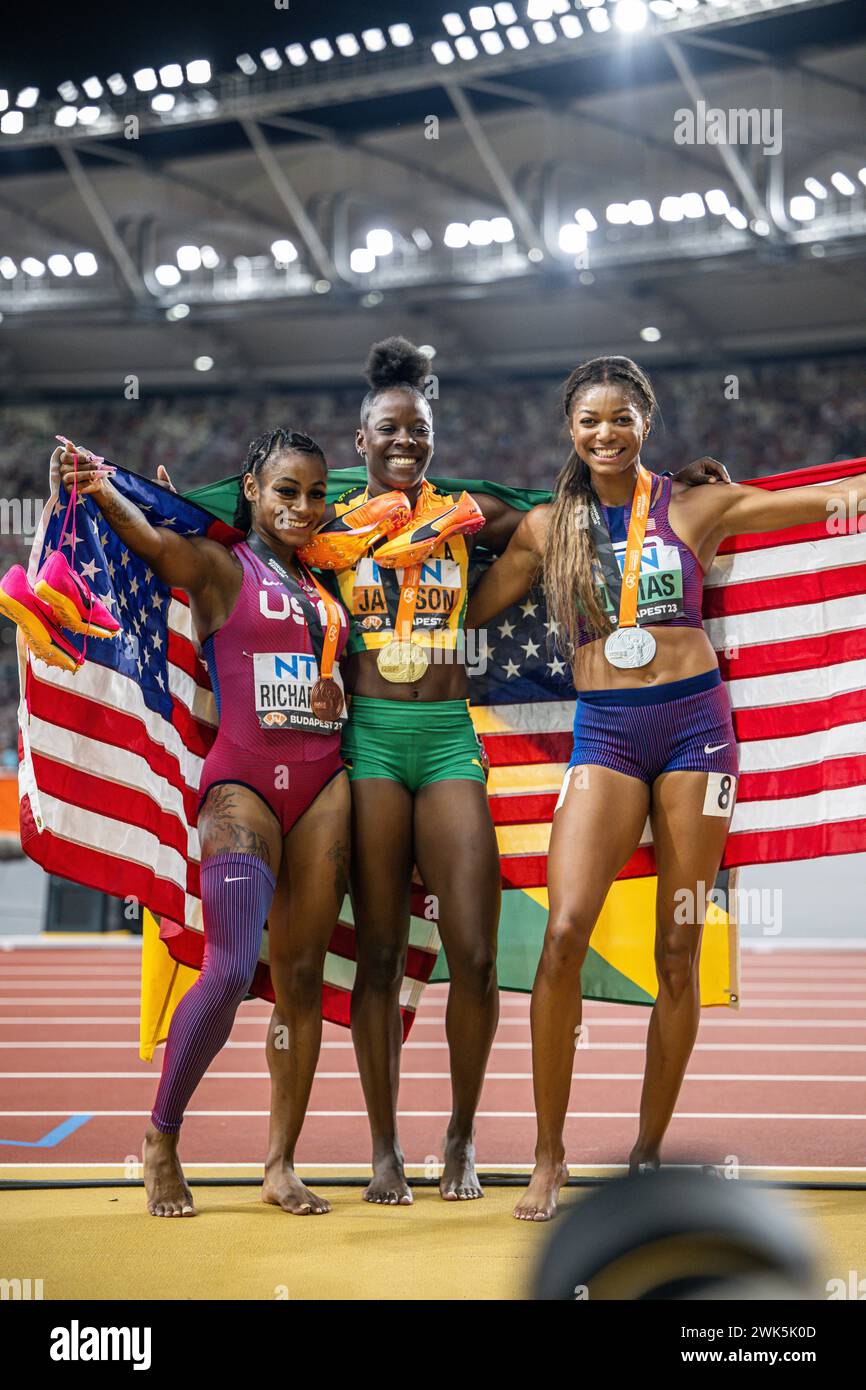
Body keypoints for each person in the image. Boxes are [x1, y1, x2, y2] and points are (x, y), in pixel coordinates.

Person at [300, 337, 731, 1205]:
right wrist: (141, 500)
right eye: (388, 431)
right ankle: (394, 1150)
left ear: (434, 436)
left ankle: (462, 1140)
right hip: (374, 742)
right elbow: (246, 521)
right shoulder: (328, 530)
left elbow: (560, 515)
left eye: (417, 430)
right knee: (383, 949)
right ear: (361, 441)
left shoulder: (469, 515)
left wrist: (679, 492)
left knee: (480, 949)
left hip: (464, 738)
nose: (404, 443)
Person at [465, 353, 866, 1220]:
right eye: (588, 421)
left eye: (620, 418)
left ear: (646, 421)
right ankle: (548, 1155)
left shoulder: (695, 506)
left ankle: (647, 1151)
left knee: (677, 952)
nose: (604, 433)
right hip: (604, 736)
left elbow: (832, 504)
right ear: (569, 431)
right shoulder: (545, 530)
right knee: (565, 931)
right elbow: (466, 611)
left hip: (696, 732)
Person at [56, 429, 351, 1217]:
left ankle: (280, 1164)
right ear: (252, 490)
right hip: (243, 785)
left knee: (300, 981)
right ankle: (161, 1136)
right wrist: (105, 488)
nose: (304, 507)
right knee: (226, 968)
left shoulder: (331, 586)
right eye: (287, 490)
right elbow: (154, 544)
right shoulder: (223, 567)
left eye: (317, 493)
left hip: (324, 783)